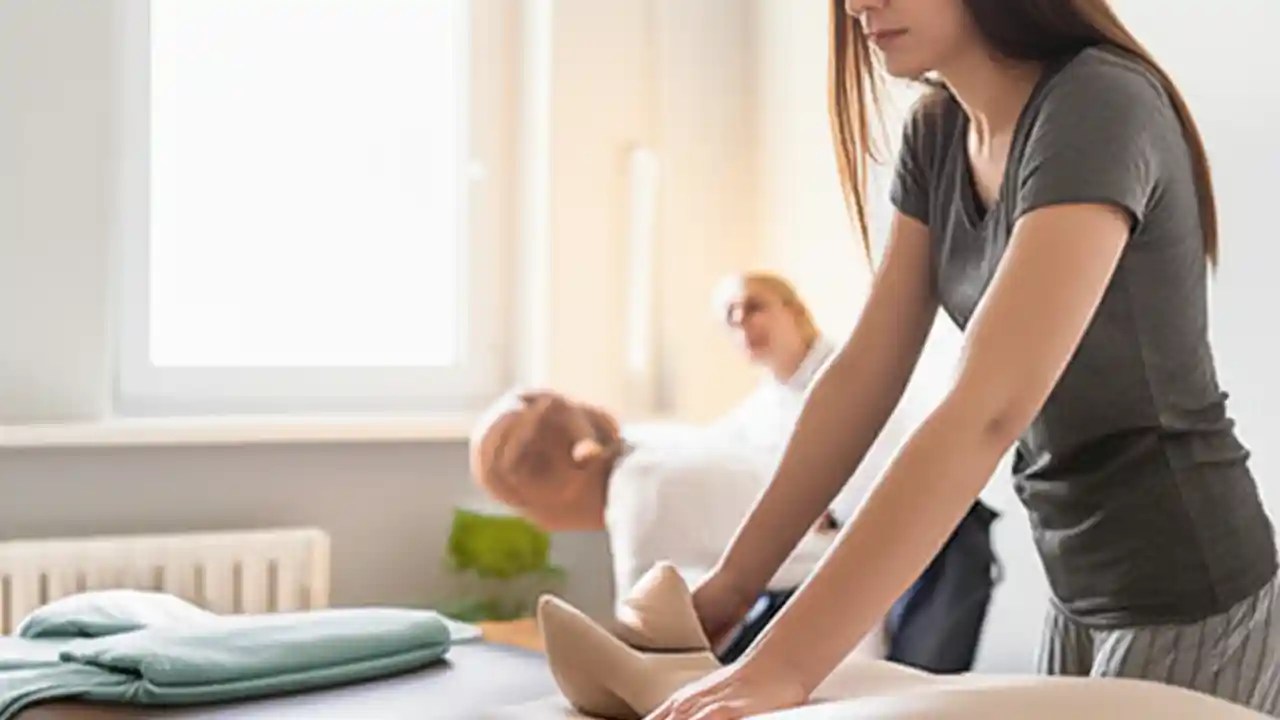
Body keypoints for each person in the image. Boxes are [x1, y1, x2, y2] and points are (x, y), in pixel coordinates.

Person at [648, 1, 1279, 718]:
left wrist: (783, 667)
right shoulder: (939, 133)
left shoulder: (1098, 102)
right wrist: (733, 590)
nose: (859, 4)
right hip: (1075, 596)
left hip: (1190, 590)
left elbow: (987, 409)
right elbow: (861, 378)